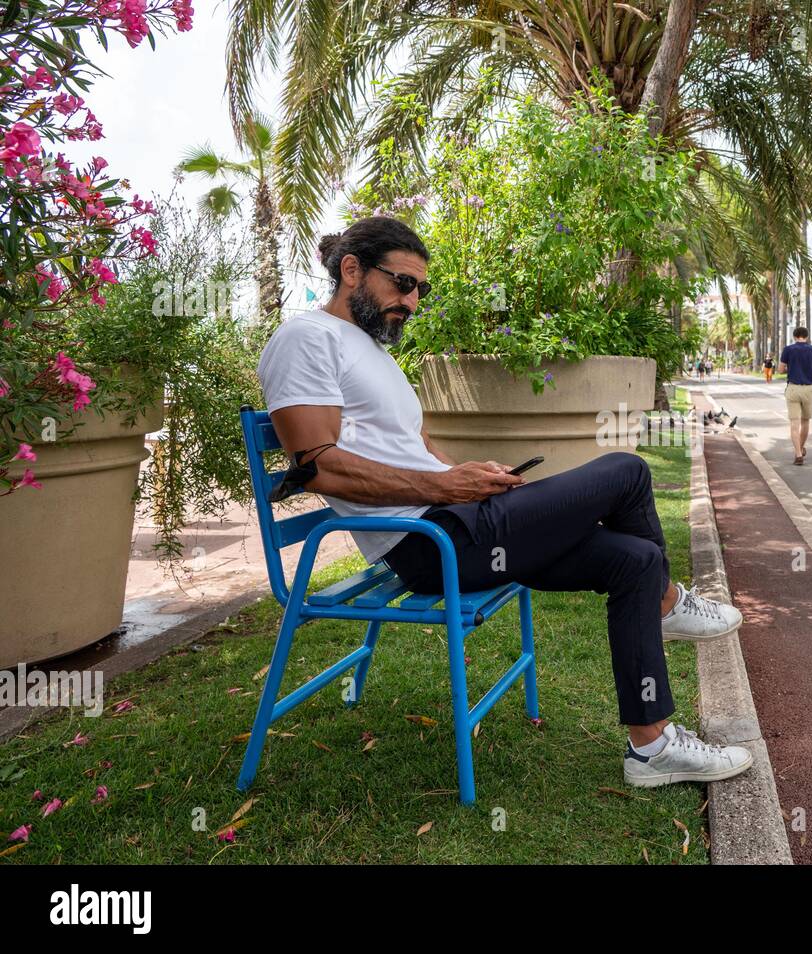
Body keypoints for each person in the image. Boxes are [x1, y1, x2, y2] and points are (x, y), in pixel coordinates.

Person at [255, 216, 753, 790]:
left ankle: (653, 749)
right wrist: (445, 489)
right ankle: (669, 605)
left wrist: (471, 475)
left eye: (421, 289)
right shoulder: (305, 338)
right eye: (402, 284)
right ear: (351, 271)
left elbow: (411, 447)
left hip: (456, 524)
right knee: (627, 469)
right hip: (431, 545)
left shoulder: (370, 351)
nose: (412, 302)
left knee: (633, 561)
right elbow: (316, 465)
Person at [778, 326, 812, 465]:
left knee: (794, 423)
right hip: (809, 389)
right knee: (805, 422)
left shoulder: (788, 349)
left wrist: (791, 367)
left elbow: (780, 370)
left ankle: (798, 454)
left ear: (795, 336)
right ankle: (801, 447)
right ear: (807, 337)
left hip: (793, 388)